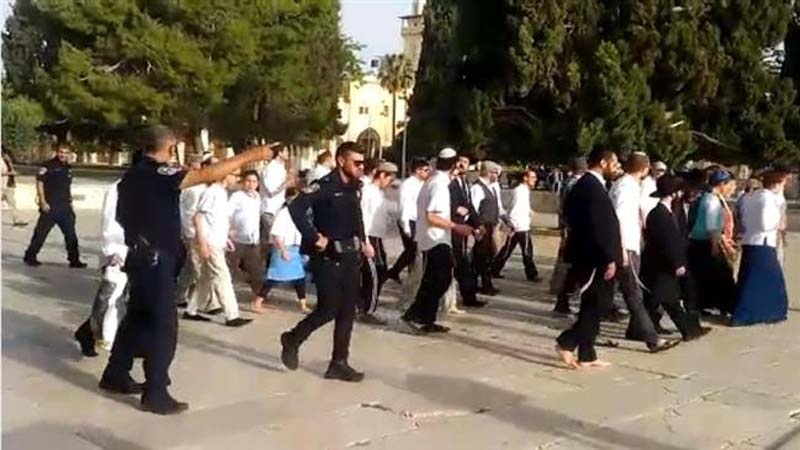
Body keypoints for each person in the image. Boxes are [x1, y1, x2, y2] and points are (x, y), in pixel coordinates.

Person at [99, 126, 274, 415]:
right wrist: (251, 155)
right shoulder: (158, 173)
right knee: (164, 327)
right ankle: (156, 391)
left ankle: (115, 373)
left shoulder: (132, 175)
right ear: (167, 148)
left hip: (139, 257)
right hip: (156, 260)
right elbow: (208, 174)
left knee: (137, 318)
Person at [279, 141, 370, 382]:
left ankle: (339, 363)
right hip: (327, 257)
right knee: (328, 308)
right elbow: (296, 208)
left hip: (350, 255)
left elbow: (356, 216)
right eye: (356, 162)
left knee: (348, 310)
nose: (361, 166)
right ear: (341, 160)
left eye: (363, 163)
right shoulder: (324, 186)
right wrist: (314, 236)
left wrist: (364, 241)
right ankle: (293, 338)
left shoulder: (354, 186)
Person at [555, 148, 622, 370]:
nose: (617, 167)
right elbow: (597, 226)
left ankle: (587, 354)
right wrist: (609, 257)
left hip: (591, 254)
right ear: (603, 163)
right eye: (614, 163)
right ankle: (567, 341)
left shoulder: (589, 185)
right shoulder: (590, 187)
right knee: (598, 304)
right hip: (593, 257)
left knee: (592, 306)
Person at [402, 148, 476, 333]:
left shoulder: (435, 181)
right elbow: (432, 216)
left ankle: (426, 318)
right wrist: (456, 227)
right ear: (453, 165)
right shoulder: (439, 185)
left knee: (435, 279)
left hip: (436, 238)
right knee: (439, 279)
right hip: (434, 239)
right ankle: (416, 314)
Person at [608, 152, 676, 352]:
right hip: (626, 245)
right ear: (645, 169)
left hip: (630, 243)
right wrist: (622, 247)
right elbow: (620, 217)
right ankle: (651, 338)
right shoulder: (627, 187)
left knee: (610, 293)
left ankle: (586, 333)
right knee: (634, 293)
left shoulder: (629, 185)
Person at [74, 158, 139, 357]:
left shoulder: (147, 189)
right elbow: (110, 220)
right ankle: (105, 338)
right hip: (119, 251)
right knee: (112, 295)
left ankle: (89, 333)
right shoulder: (118, 189)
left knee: (126, 297)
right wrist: (112, 250)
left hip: (138, 251)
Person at [641, 175, 710, 341]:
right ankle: (689, 330)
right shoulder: (661, 214)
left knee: (652, 300)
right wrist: (678, 262)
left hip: (659, 264)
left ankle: (638, 329)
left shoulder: (663, 213)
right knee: (669, 300)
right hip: (661, 264)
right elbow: (668, 242)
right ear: (673, 194)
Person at [183, 169, 252, 326]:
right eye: (235, 175)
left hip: (217, 241)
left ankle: (191, 310)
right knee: (223, 276)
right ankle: (232, 315)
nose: (237, 179)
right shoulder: (213, 192)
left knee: (206, 278)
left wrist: (226, 237)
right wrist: (202, 243)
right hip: (210, 243)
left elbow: (216, 220)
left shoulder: (222, 193)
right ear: (225, 175)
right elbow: (198, 218)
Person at [732, 170, 789, 326]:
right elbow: (766, 223)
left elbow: (743, 219)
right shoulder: (768, 199)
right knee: (767, 280)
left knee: (748, 278)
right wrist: (778, 224)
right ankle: (760, 313)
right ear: (776, 184)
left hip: (749, 239)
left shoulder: (750, 197)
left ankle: (752, 312)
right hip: (763, 241)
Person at [23, 144, 86, 268]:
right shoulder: (48, 165)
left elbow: (66, 187)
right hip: (50, 206)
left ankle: (74, 260)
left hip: (65, 207)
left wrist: (70, 203)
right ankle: (30, 256)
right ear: (57, 152)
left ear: (69, 154)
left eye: (66, 152)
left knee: (71, 235)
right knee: (40, 234)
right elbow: (40, 182)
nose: (63, 155)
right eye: (61, 152)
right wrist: (42, 201)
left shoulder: (68, 167)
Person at [687, 170, 738, 316]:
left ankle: (708, 304)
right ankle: (724, 305)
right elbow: (712, 227)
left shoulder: (709, 198)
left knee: (708, 276)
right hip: (705, 242)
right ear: (722, 184)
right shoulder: (712, 201)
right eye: (730, 185)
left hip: (702, 241)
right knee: (720, 276)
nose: (732, 188)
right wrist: (716, 247)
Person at [358, 161, 399, 324]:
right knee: (376, 272)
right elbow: (363, 217)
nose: (390, 183)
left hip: (377, 237)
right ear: (382, 175)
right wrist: (365, 241)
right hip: (370, 237)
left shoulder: (379, 193)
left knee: (376, 272)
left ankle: (362, 304)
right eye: (390, 179)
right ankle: (367, 309)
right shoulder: (368, 192)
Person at [258, 187, 310, 313]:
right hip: (283, 247)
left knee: (299, 278)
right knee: (274, 277)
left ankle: (303, 305)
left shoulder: (301, 213)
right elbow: (276, 233)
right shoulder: (283, 213)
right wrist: (282, 250)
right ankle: (258, 301)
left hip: (296, 248)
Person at [175, 155, 213, 308]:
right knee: (199, 268)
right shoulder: (193, 188)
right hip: (193, 232)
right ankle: (206, 303)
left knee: (191, 266)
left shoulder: (204, 187)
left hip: (201, 232)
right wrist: (190, 232)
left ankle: (179, 295)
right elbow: (188, 212)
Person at [551, 157, 587, 314]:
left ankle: (563, 296)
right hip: (574, 229)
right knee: (570, 265)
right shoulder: (575, 184)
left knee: (569, 264)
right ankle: (563, 296)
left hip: (570, 228)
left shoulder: (569, 182)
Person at [448, 153, 483, 309]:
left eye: (465, 162)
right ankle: (467, 297)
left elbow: (469, 205)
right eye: (460, 161)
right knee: (459, 263)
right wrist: (455, 208)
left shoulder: (465, 182)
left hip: (462, 227)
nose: (462, 164)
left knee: (462, 263)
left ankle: (469, 296)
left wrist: (478, 224)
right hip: (452, 227)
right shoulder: (449, 182)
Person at [386, 157, 430, 281]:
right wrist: (405, 226)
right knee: (412, 249)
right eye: (425, 170)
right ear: (418, 170)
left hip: (419, 221)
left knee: (415, 251)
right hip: (409, 221)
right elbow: (404, 206)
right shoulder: (408, 185)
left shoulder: (423, 184)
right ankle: (395, 271)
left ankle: (404, 273)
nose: (427, 173)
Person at [226, 170, 264, 311]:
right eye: (248, 181)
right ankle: (223, 299)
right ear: (243, 182)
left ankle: (256, 300)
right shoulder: (237, 196)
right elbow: (227, 214)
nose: (251, 184)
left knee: (256, 272)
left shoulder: (257, 197)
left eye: (254, 181)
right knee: (230, 269)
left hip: (253, 240)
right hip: (237, 239)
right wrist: (229, 230)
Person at [494, 168, 541, 282]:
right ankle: (531, 273)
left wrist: (529, 211)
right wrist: (512, 225)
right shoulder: (519, 191)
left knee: (508, 249)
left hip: (520, 224)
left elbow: (522, 206)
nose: (535, 180)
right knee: (526, 251)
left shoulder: (523, 190)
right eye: (532, 177)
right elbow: (514, 208)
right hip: (520, 226)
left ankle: (494, 269)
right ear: (525, 178)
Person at [470, 161, 507, 296]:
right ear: (487, 172)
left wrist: (506, 220)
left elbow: (498, 207)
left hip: (491, 225)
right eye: (495, 173)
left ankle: (483, 284)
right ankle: (482, 285)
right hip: (482, 226)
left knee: (486, 256)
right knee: (481, 257)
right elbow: (473, 209)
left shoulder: (492, 188)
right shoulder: (477, 188)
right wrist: (477, 227)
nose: (497, 176)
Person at [260, 144, 292, 264]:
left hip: (278, 209)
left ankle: (267, 264)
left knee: (272, 240)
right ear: (279, 153)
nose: (288, 154)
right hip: (269, 210)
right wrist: (286, 183)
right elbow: (271, 191)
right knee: (274, 239)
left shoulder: (281, 168)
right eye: (286, 151)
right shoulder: (270, 169)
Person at [1, 148, 27, 227]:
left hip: (9, 185)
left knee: (12, 204)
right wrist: (11, 173)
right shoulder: (1, 162)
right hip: (2, 185)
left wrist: (12, 170)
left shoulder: (8, 162)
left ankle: (16, 220)